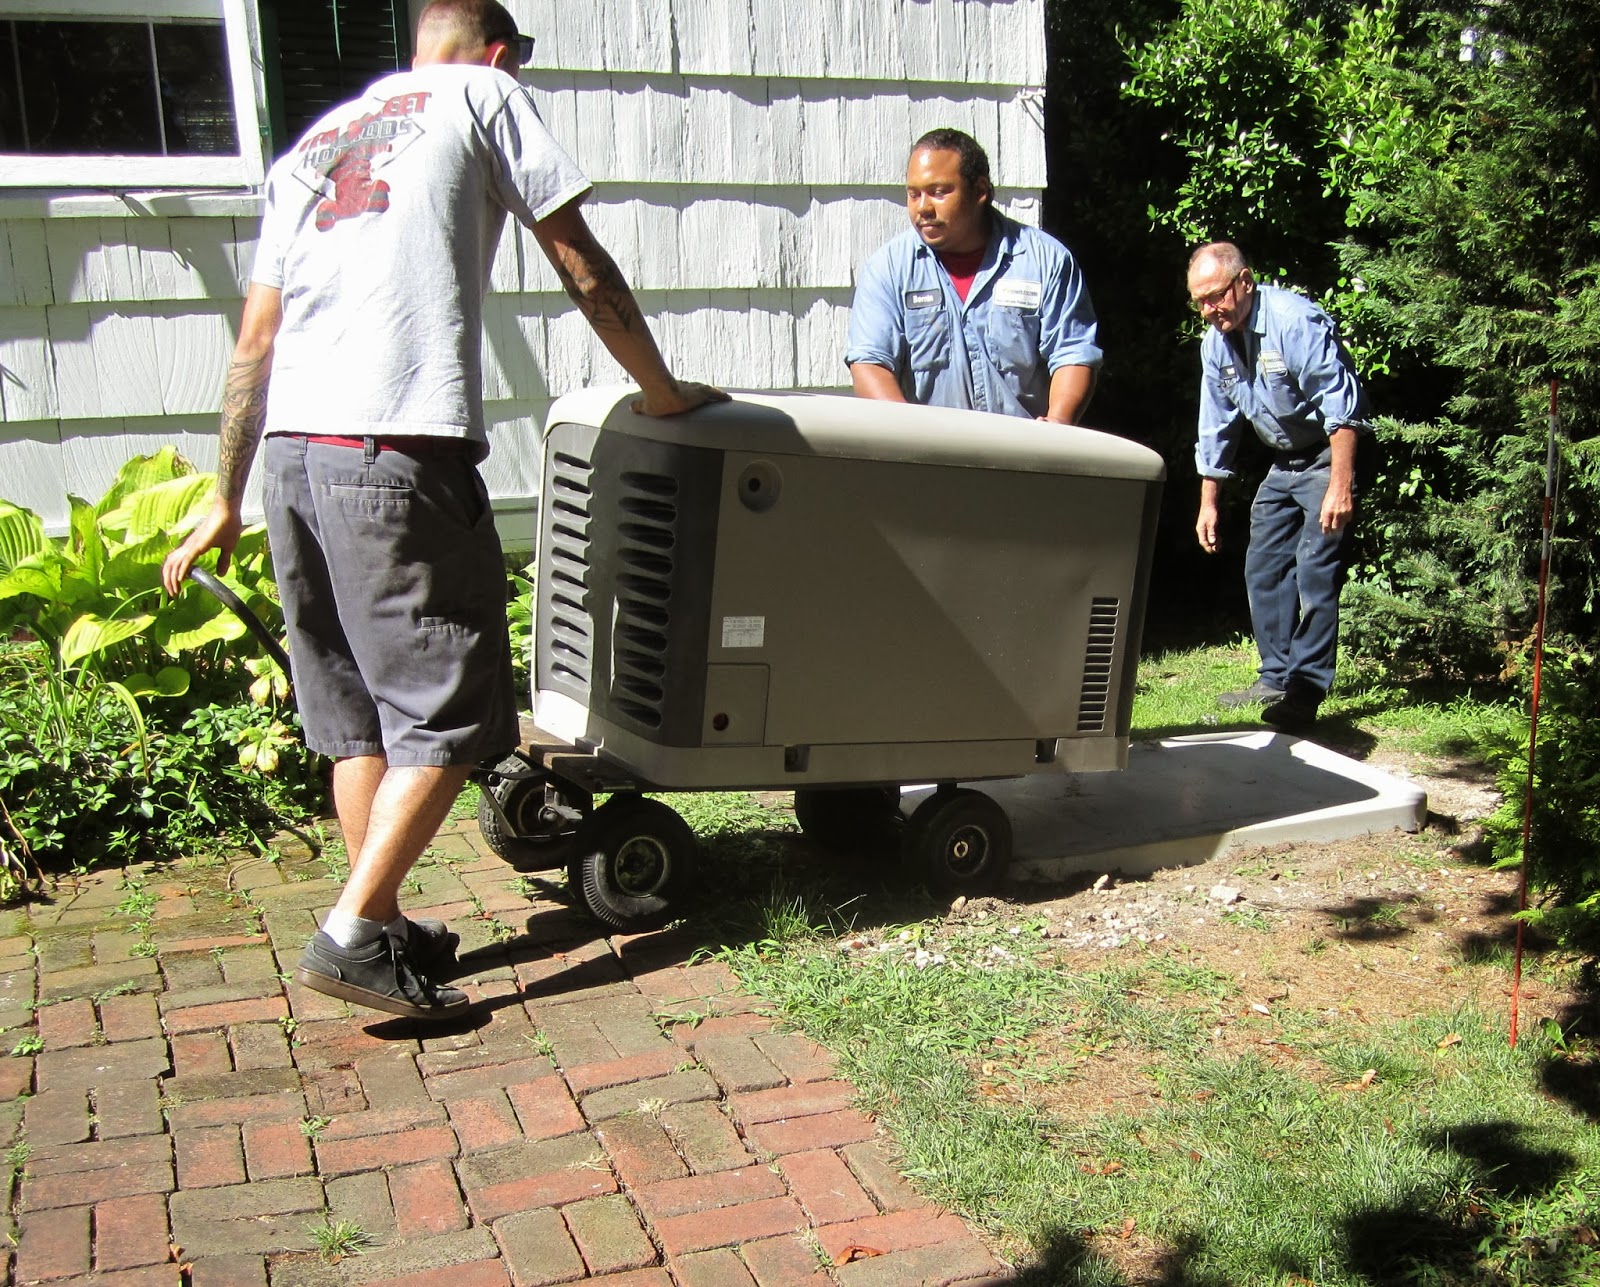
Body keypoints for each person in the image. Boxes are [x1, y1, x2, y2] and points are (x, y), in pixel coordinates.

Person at [161, 0, 725, 1022]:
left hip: (292, 457)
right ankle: (351, 932)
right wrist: (662, 391)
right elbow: (577, 256)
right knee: (453, 716)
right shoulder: (484, 95)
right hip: (394, 453)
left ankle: (376, 925)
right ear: (500, 51)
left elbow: (255, 344)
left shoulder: (317, 141)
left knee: (358, 718)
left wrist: (224, 496)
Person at [1188, 241, 1369, 733]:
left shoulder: (1294, 321)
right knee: (1264, 566)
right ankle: (1275, 676)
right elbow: (1215, 425)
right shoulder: (1215, 343)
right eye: (1199, 302)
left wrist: (1340, 486)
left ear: (1245, 281)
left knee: (1316, 570)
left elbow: (1342, 406)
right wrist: (1208, 502)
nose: (1209, 310)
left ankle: (1305, 693)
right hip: (1285, 460)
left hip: (1328, 454)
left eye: (1216, 296)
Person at [845, 128, 1101, 423]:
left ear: (980, 191)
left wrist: (1057, 423)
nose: (923, 207)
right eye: (914, 194)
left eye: (938, 192)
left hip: (1022, 448)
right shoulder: (888, 269)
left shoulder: (1046, 260)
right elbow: (870, 363)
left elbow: (1073, 353)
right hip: (927, 449)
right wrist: (908, 434)